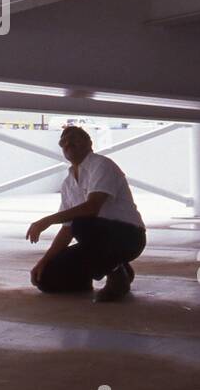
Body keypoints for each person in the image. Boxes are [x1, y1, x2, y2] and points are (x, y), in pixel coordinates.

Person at [26, 125, 146, 302]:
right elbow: (67, 230)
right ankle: (106, 270)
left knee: (82, 223)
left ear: (89, 143)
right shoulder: (68, 183)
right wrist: (43, 262)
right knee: (46, 279)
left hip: (128, 237)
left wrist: (47, 221)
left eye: (74, 138)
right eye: (63, 141)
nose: (68, 143)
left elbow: (92, 208)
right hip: (97, 240)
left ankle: (117, 275)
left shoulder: (102, 165)